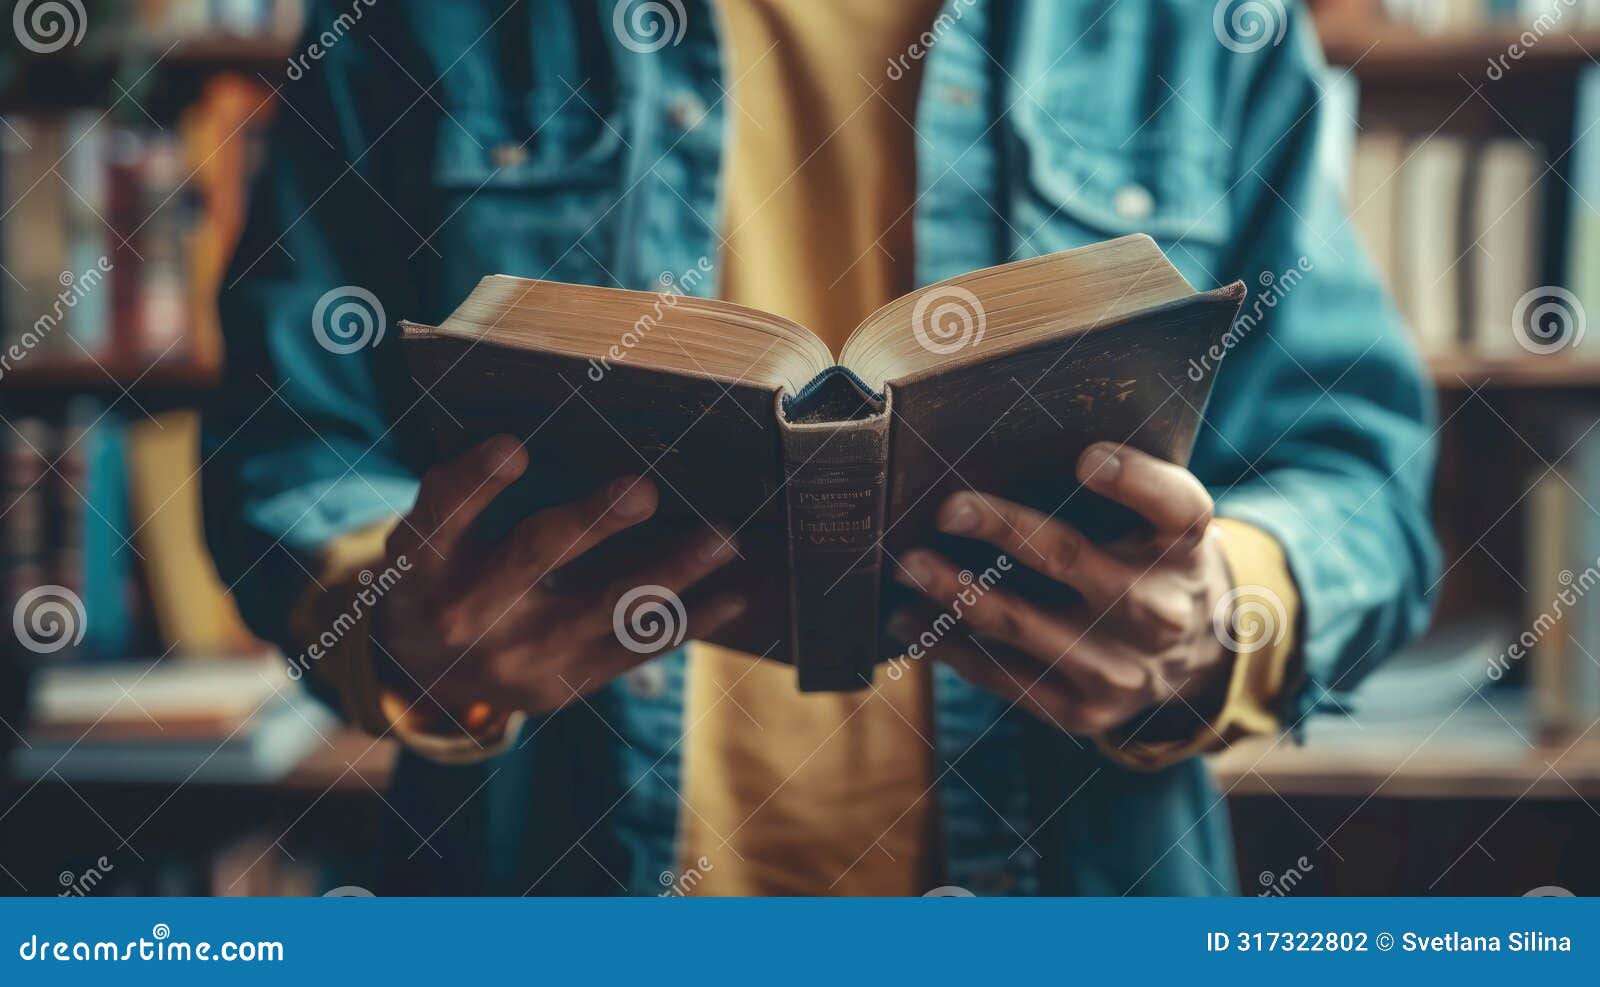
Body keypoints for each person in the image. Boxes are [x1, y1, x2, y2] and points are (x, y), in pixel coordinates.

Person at [202, 0, 1437, 896]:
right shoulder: (416, 20)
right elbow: (283, 447)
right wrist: (393, 620)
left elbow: (1358, 473)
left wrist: (1226, 613)